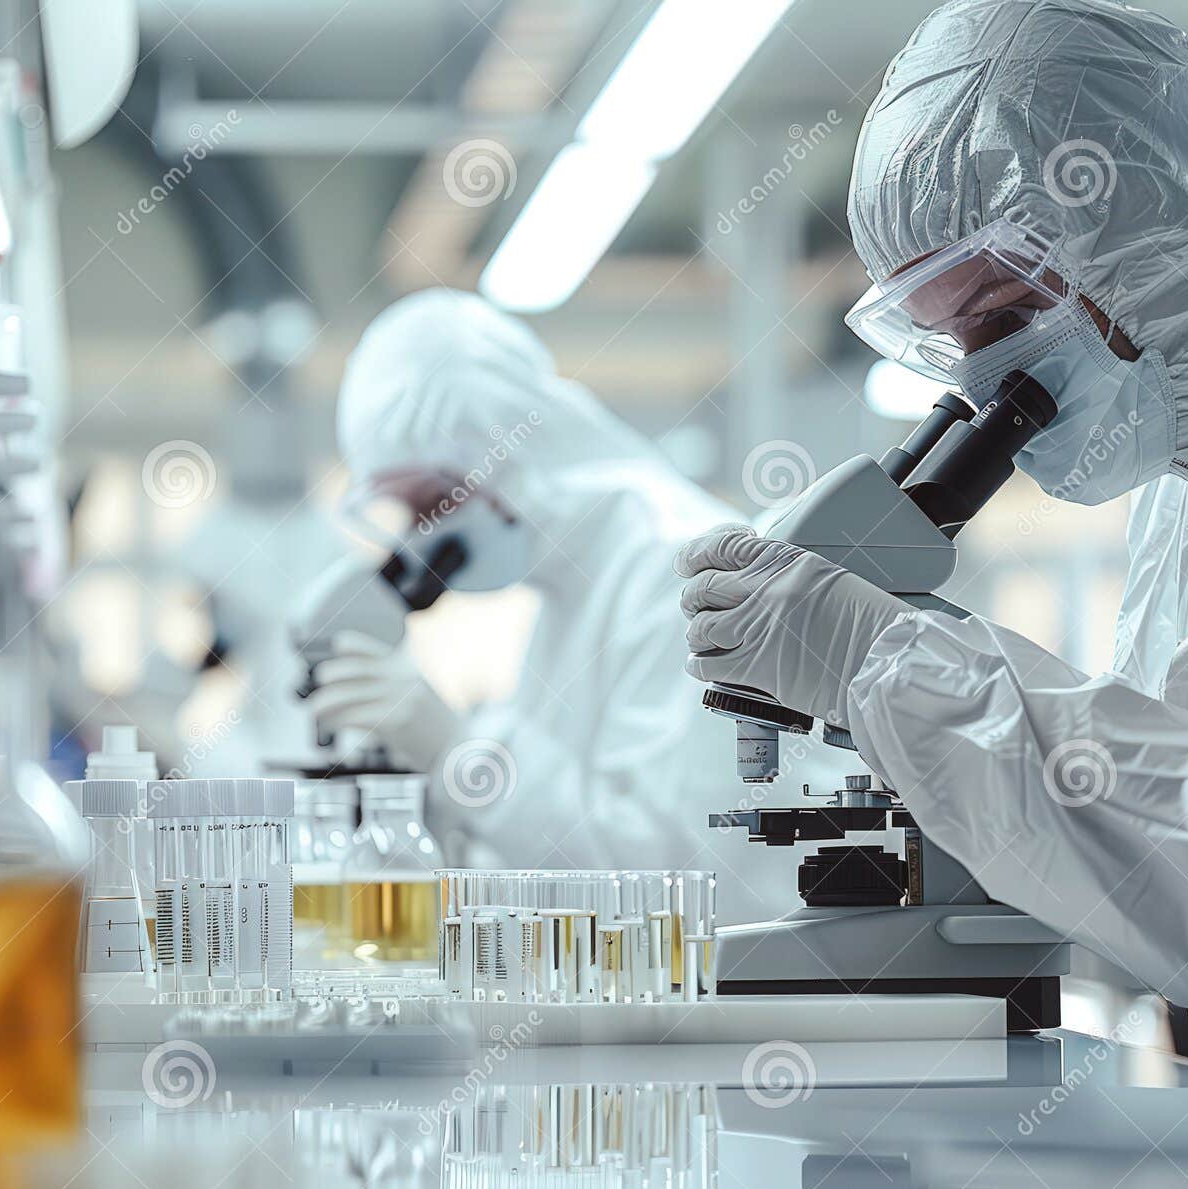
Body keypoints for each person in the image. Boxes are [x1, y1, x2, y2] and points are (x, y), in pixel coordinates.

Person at [678, 0, 1188, 1100]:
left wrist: (879, 660)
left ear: (1149, 229)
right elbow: (1170, 835)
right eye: (957, 344)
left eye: (1003, 316)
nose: (987, 384)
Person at [307, 289, 853, 924]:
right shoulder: (568, 588)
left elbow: (680, 877)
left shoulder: (673, 566)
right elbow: (557, 866)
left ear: (507, 457)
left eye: (434, 503)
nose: (423, 537)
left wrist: (463, 751)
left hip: (739, 979)